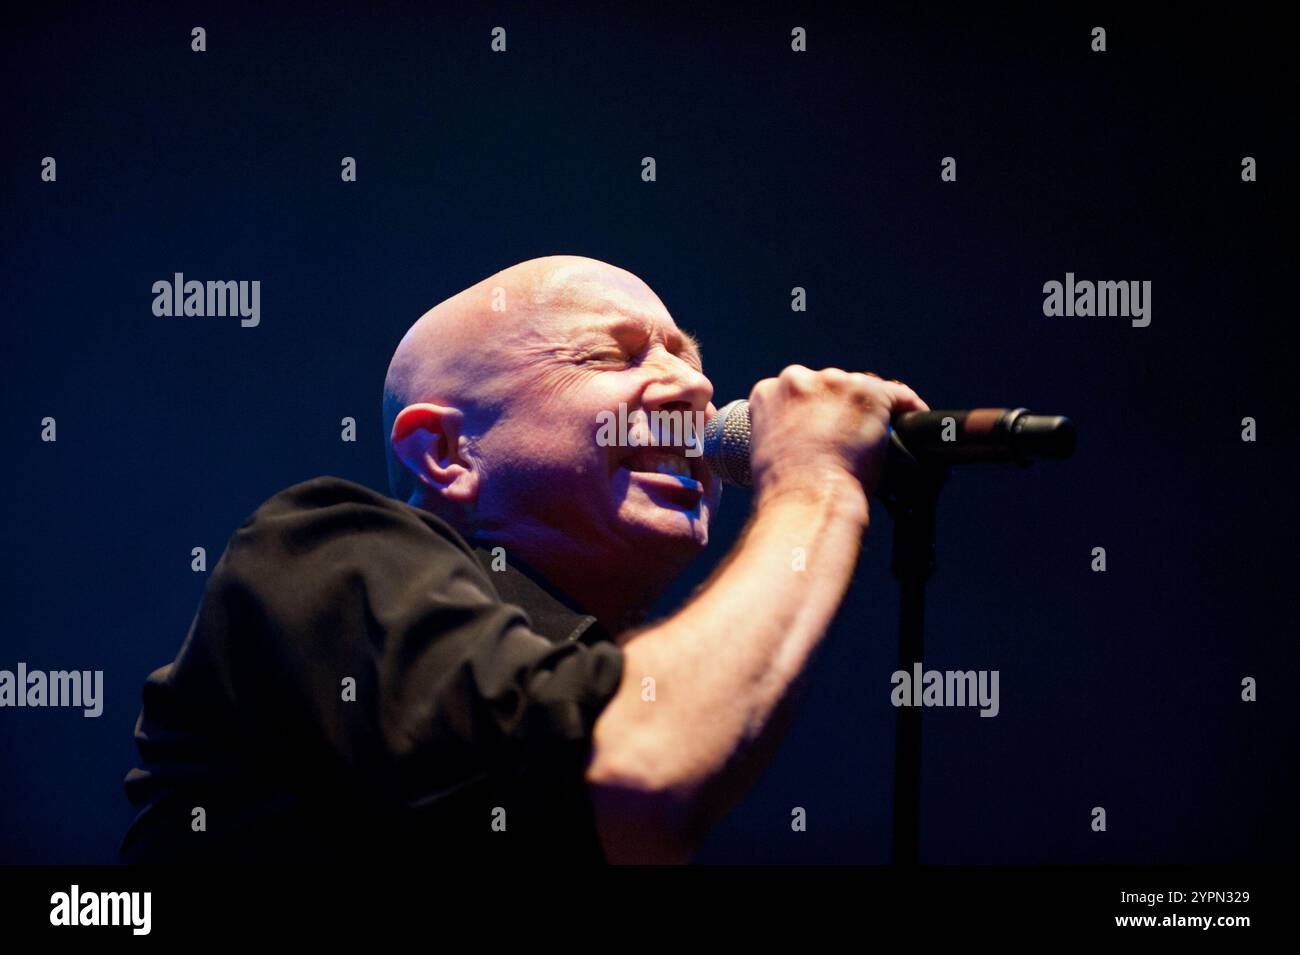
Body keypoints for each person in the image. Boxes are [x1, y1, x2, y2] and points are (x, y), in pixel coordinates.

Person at [119, 254, 928, 864]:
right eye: (612, 357)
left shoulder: (588, 662)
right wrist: (815, 484)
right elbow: (641, 774)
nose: (695, 392)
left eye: (691, 360)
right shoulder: (323, 547)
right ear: (445, 451)